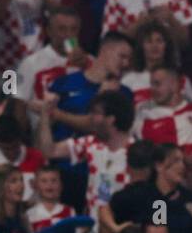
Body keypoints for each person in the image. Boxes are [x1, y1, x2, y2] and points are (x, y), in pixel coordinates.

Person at [36, 88, 133, 224]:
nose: (90, 118)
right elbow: (50, 151)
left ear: (111, 119)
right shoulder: (90, 144)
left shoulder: (136, 151)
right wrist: (45, 114)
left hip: (124, 229)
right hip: (93, 228)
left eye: (96, 113)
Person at [26, 163, 75, 233]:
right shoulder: (29, 214)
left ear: (61, 185)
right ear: (36, 186)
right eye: (44, 181)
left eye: (54, 180)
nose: (49, 184)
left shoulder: (69, 211)